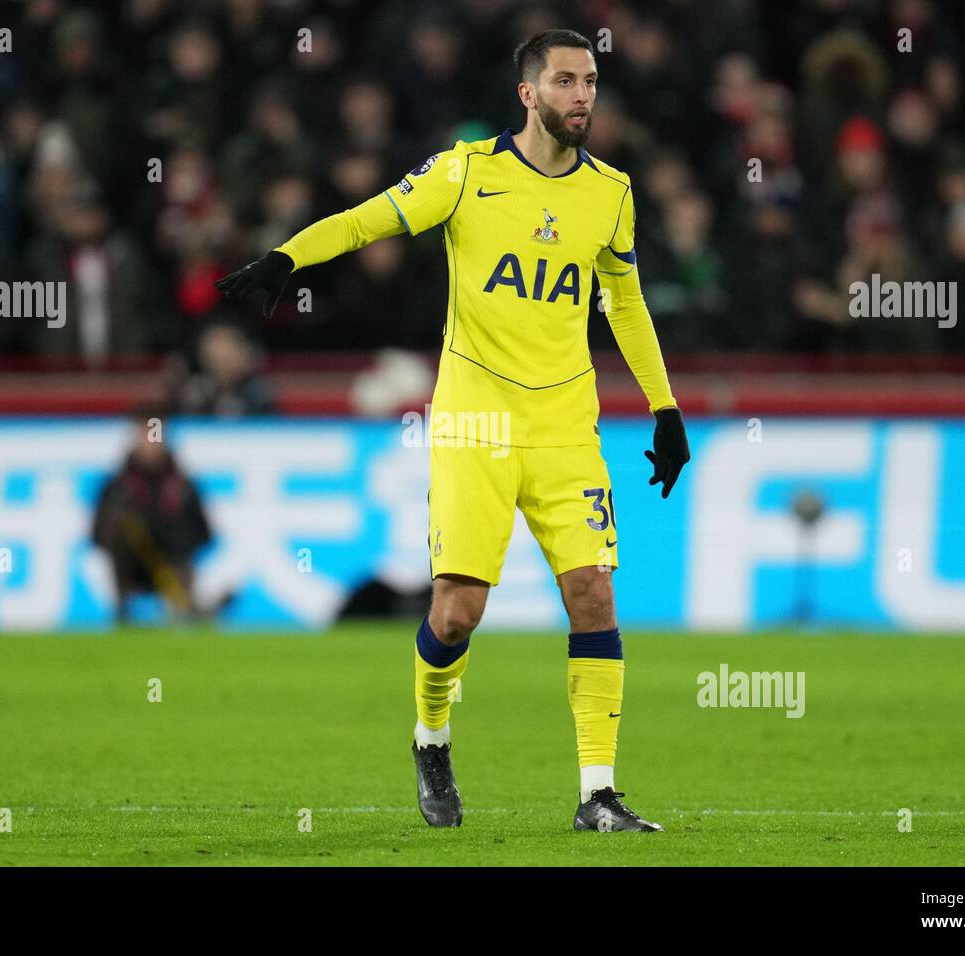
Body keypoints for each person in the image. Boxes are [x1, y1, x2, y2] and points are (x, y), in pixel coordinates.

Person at [216, 30, 690, 832]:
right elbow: (371, 220)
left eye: (592, 81)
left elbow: (627, 300)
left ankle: (597, 794)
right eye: (567, 81)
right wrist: (286, 259)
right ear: (528, 93)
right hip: (474, 418)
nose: (584, 95)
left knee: (593, 591)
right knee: (456, 612)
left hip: (566, 424)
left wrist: (665, 407)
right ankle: (431, 736)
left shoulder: (611, 192)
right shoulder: (465, 172)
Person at [91, 417, 215, 623]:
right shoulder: (118, 486)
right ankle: (124, 605)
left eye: (155, 437)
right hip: (131, 564)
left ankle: (185, 608)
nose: (151, 444)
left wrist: (171, 538)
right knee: (121, 526)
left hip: (172, 562)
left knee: (181, 550)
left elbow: (202, 530)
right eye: (146, 436)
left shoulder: (182, 486)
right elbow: (99, 531)